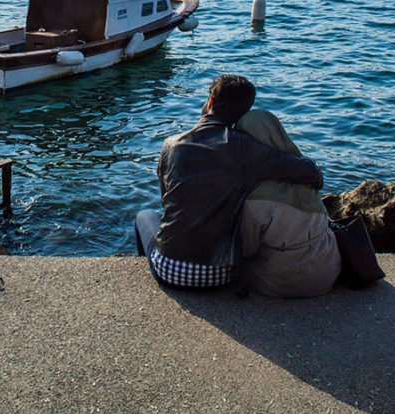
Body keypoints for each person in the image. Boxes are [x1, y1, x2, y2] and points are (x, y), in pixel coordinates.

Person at [135, 74, 324, 289]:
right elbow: (308, 171)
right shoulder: (245, 148)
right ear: (244, 113)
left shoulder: (171, 145)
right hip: (221, 274)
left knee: (145, 216)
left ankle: (152, 281)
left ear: (210, 101)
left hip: (170, 270)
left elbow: (167, 201)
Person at [236, 108, 341, 297]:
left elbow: (247, 249)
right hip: (326, 275)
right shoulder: (307, 174)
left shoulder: (256, 195)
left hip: (278, 283)